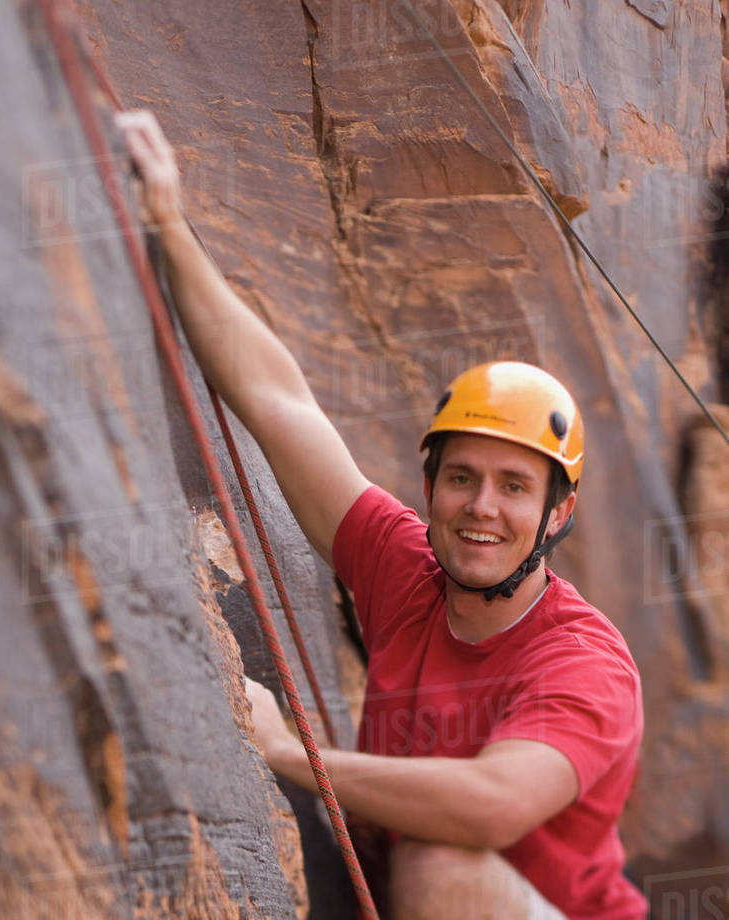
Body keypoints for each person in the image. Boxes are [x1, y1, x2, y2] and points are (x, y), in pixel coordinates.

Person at [118, 109, 646, 920]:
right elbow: (279, 403)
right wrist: (168, 225)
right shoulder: (403, 569)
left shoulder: (583, 665)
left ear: (556, 514)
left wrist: (290, 755)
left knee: (441, 867)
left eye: (515, 487)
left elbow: (493, 804)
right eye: (461, 477)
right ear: (429, 486)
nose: (481, 506)